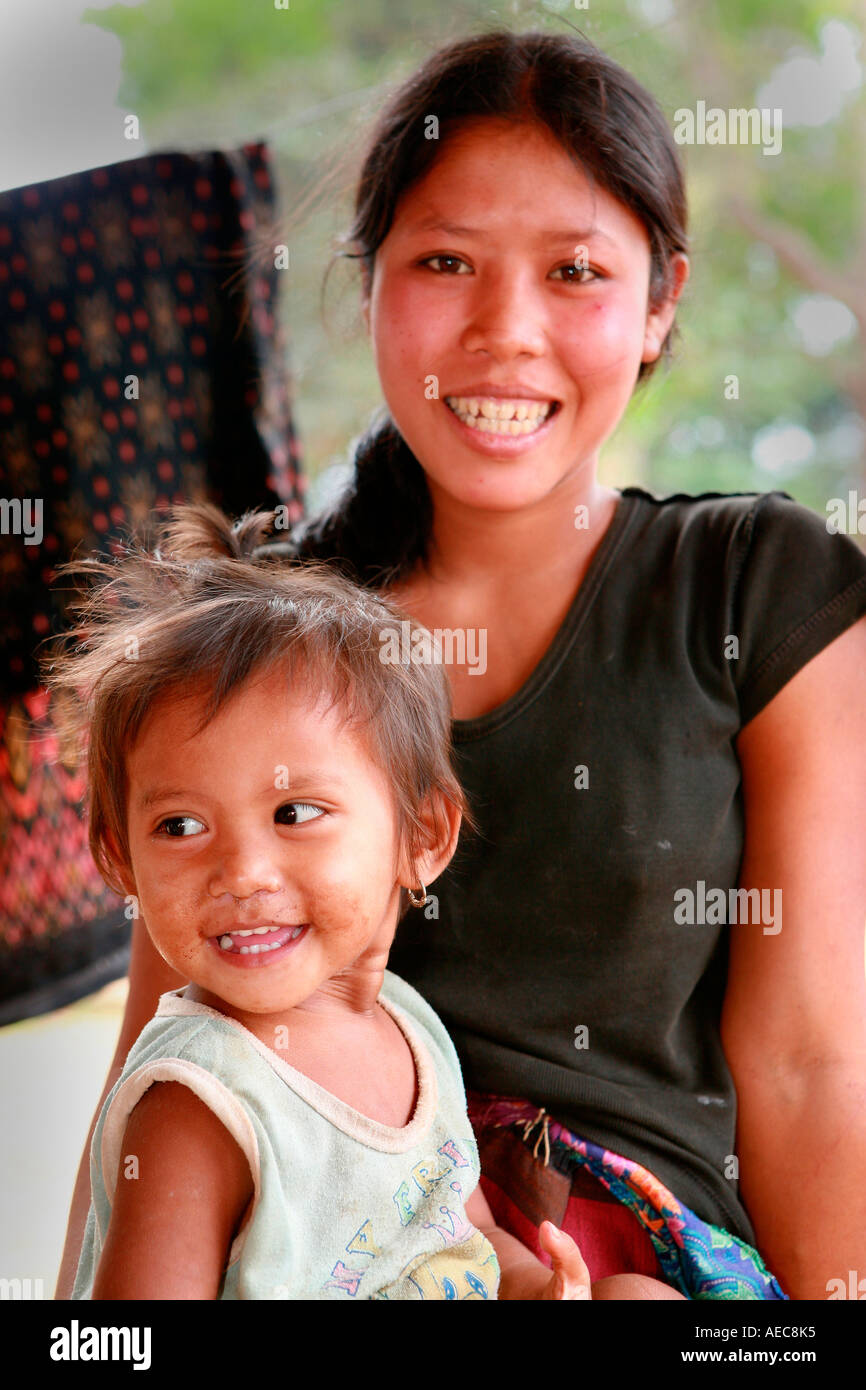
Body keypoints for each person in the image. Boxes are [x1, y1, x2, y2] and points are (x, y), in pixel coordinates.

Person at [56, 28, 866, 1301]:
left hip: (636, 1266)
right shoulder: (255, 639)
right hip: (321, 1250)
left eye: (575, 272)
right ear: (369, 282)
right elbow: (172, 1064)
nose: (505, 330)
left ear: (658, 307)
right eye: (444, 262)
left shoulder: (755, 584)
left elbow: (812, 1063)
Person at [46, 499, 678, 1300]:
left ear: (422, 837)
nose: (243, 872)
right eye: (180, 824)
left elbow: (471, 1235)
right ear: (119, 860)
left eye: (295, 813)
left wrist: (533, 1286)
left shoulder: (409, 1030)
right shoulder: (201, 1103)